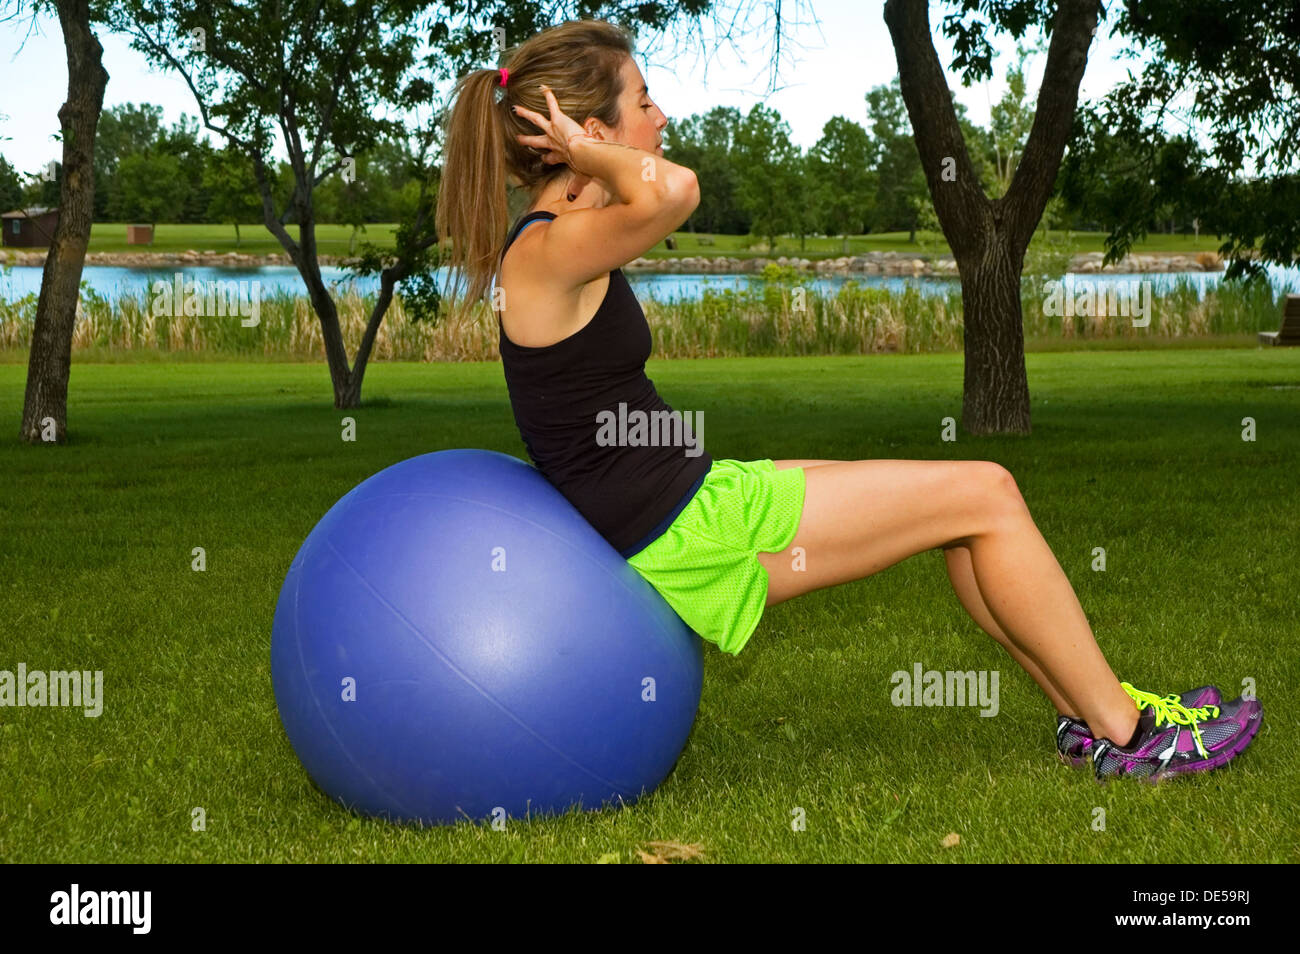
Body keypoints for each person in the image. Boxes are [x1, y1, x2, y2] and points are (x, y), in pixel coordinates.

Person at [433, 19, 1262, 781]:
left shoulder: (558, 240)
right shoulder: (551, 249)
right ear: (594, 130)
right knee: (989, 493)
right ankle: (1129, 736)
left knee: (965, 517)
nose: (661, 115)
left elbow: (654, 194)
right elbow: (675, 192)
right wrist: (591, 156)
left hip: (692, 501)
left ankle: (1089, 719)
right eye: (643, 100)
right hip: (685, 532)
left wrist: (592, 160)